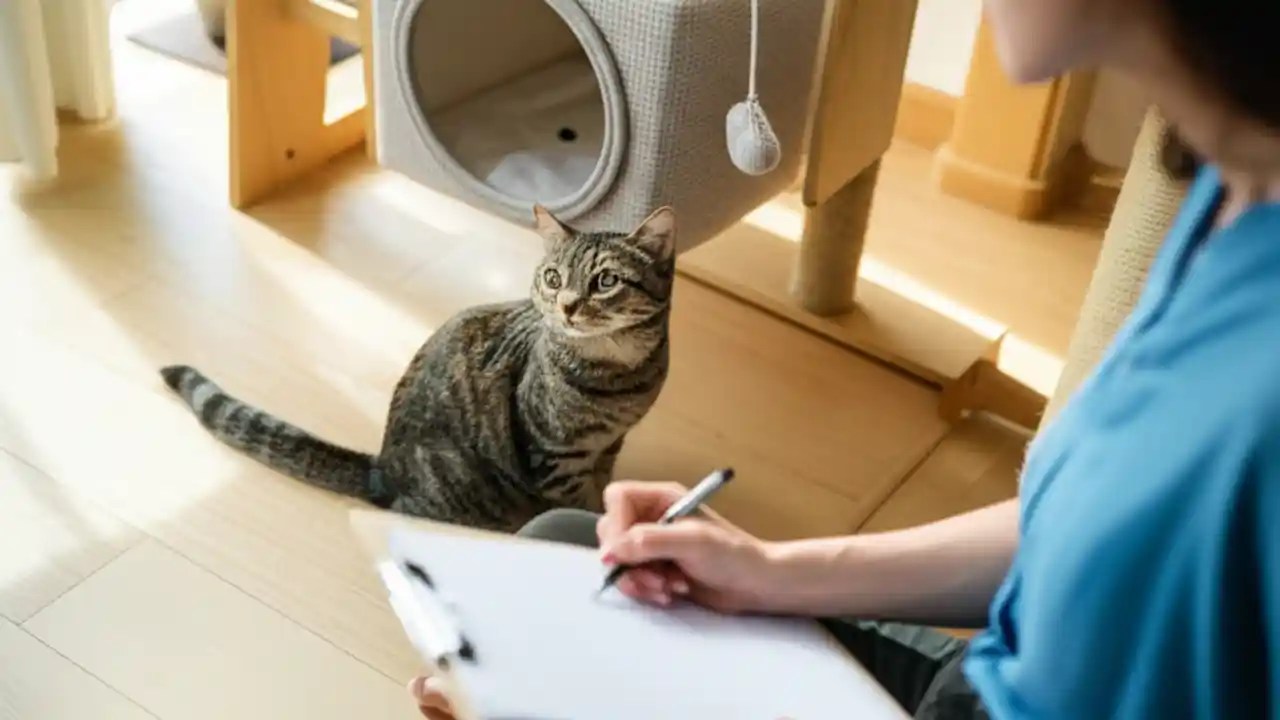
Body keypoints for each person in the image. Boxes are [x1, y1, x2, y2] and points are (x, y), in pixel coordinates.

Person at [410, 0, 1280, 715]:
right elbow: (1083, 531)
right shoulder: (1228, 185)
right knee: (566, 542)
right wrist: (769, 571)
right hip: (991, 667)